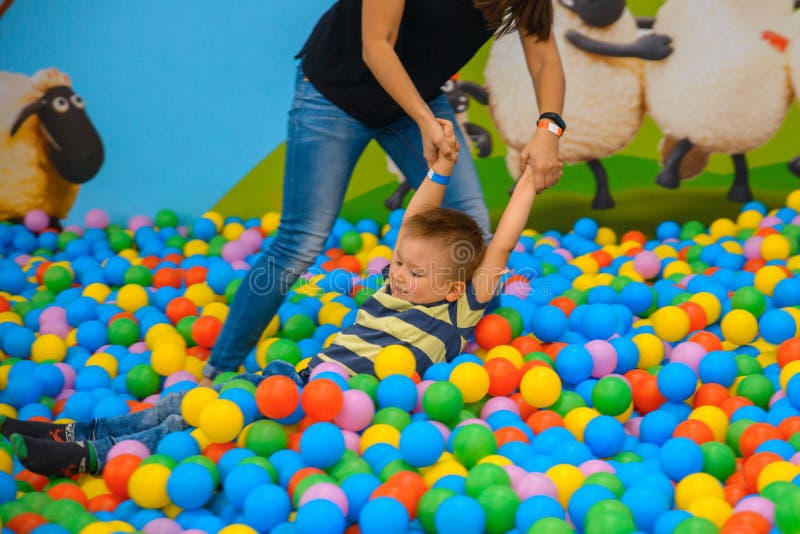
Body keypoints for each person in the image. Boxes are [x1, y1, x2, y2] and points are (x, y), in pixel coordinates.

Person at [2, 118, 559, 478]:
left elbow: (502, 242)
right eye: (397, 264)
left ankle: (94, 460)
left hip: (327, 410)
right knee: (182, 403)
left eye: (415, 272)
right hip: (296, 380)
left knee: (192, 428)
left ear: (456, 286)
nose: (399, 274)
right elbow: (414, 219)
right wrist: (439, 168)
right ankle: (83, 432)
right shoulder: (393, 285)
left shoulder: (456, 311)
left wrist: (528, 184)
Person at [201, 0, 566, 386]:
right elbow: (377, 43)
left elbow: (544, 57)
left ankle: (468, 365)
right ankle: (219, 371)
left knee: (472, 234)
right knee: (300, 240)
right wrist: (425, 120)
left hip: (417, 96)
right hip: (336, 92)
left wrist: (549, 130)